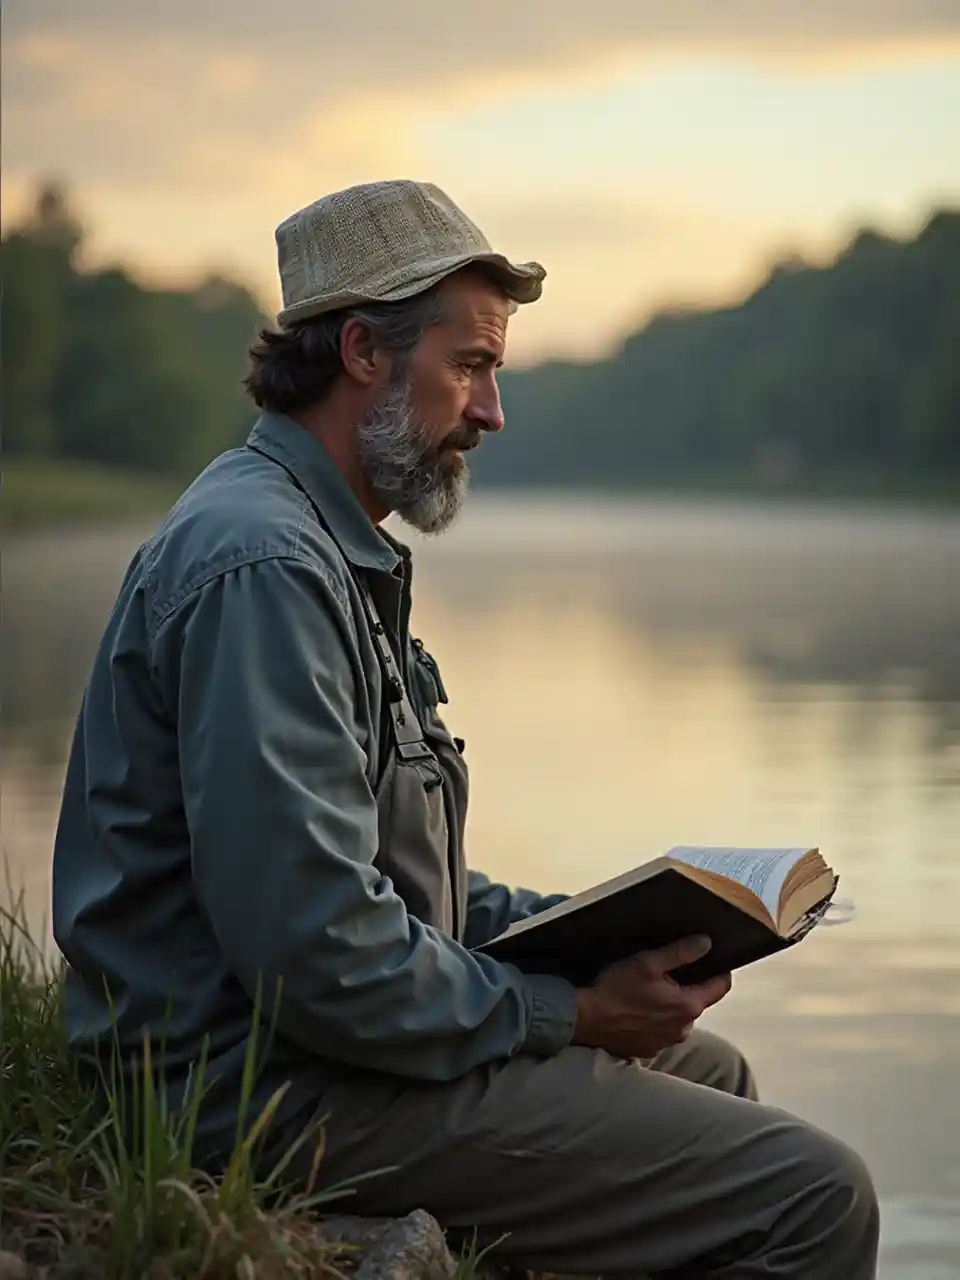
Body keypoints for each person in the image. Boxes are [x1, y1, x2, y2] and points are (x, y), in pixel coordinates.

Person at [52, 179, 879, 1277]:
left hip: (301, 1051)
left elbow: (382, 878)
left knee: (709, 1067)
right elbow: (315, 952)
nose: (491, 412)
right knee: (816, 1193)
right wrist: (566, 1007)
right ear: (360, 351)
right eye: (471, 366)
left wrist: (605, 926)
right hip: (242, 1088)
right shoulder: (264, 566)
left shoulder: (321, 541)